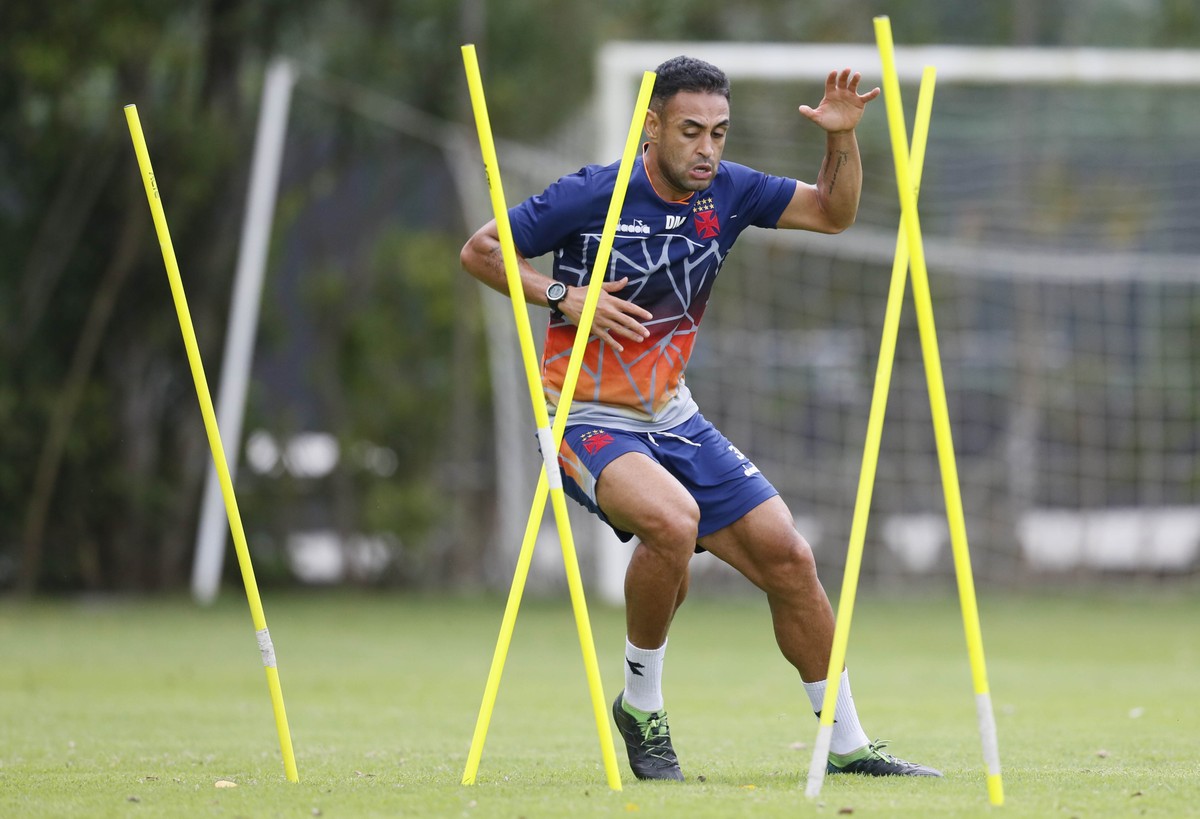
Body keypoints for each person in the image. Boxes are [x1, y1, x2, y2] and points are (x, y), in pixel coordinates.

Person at [460, 55, 941, 782]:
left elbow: (833, 213)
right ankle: (642, 705)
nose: (707, 148)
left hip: (673, 414)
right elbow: (481, 250)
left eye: (719, 131)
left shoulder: (731, 190)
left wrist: (840, 137)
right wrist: (563, 295)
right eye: (691, 131)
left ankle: (847, 744)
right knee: (674, 521)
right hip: (582, 415)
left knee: (789, 556)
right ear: (651, 126)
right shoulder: (594, 192)